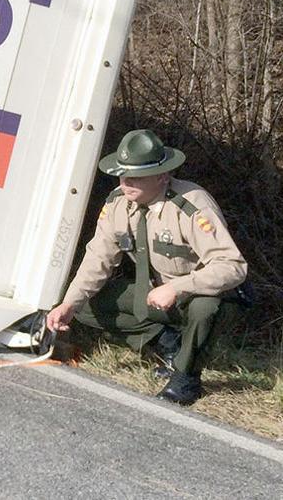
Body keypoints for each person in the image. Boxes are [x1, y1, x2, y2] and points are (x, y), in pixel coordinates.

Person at [46, 129, 247, 406]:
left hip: (201, 295)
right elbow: (98, 259)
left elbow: (233, 266)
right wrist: (68, 304)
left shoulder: (191, 205)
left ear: (162, 176)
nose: (126, 182)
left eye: (136, 177)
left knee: (206, 308)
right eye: (122, 174)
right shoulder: (118, 203)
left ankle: (186, 378)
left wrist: (176, 287)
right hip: (157, 294)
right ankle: (170, 346)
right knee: (86, 304)